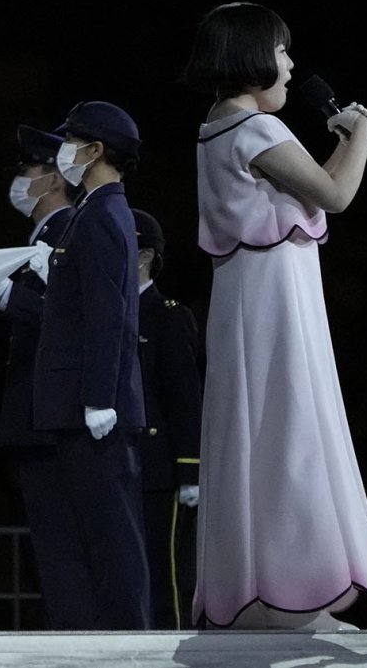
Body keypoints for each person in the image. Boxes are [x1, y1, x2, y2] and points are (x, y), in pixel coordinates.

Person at [183, 1, 367, 630]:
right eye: (280, 52)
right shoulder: (257, 130)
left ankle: (264, 593)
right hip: (274, 305)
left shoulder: (217, 126)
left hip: (251, 299)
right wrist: (364, 134)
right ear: (249, 57)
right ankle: (295, 600)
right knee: (289, 428)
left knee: (259, 433)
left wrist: (340, 148)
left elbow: (310, 190)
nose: (291, 66)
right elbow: (337, 195)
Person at [29, 99, 151, 629]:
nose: (65, 153)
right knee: (99, 530)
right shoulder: (95, 210)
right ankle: (117, 635)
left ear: (95, 150)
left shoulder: (103, 214)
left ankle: (133, 639)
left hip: (92, 404)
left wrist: (100, 396)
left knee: (113, 532)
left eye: (73, 142)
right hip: (81, 399)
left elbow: (110, 316)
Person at [0, 123, 92, 628]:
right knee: (55, 542)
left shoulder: (64, 233)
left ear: (52, 178)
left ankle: (78, 639)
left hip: (50, 415)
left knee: (61, 541)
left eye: (27, 169)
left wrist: (5, 293)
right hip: (41, 415)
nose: (20, 178)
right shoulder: (46, 237)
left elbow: (64, 316)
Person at [128, 207, 202, 629]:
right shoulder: (111, 310)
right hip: (121, 463)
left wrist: (189, 469)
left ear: (143, 255)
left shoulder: (166, 315)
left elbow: (184, 397)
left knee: (166, 576)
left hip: (158, 467)